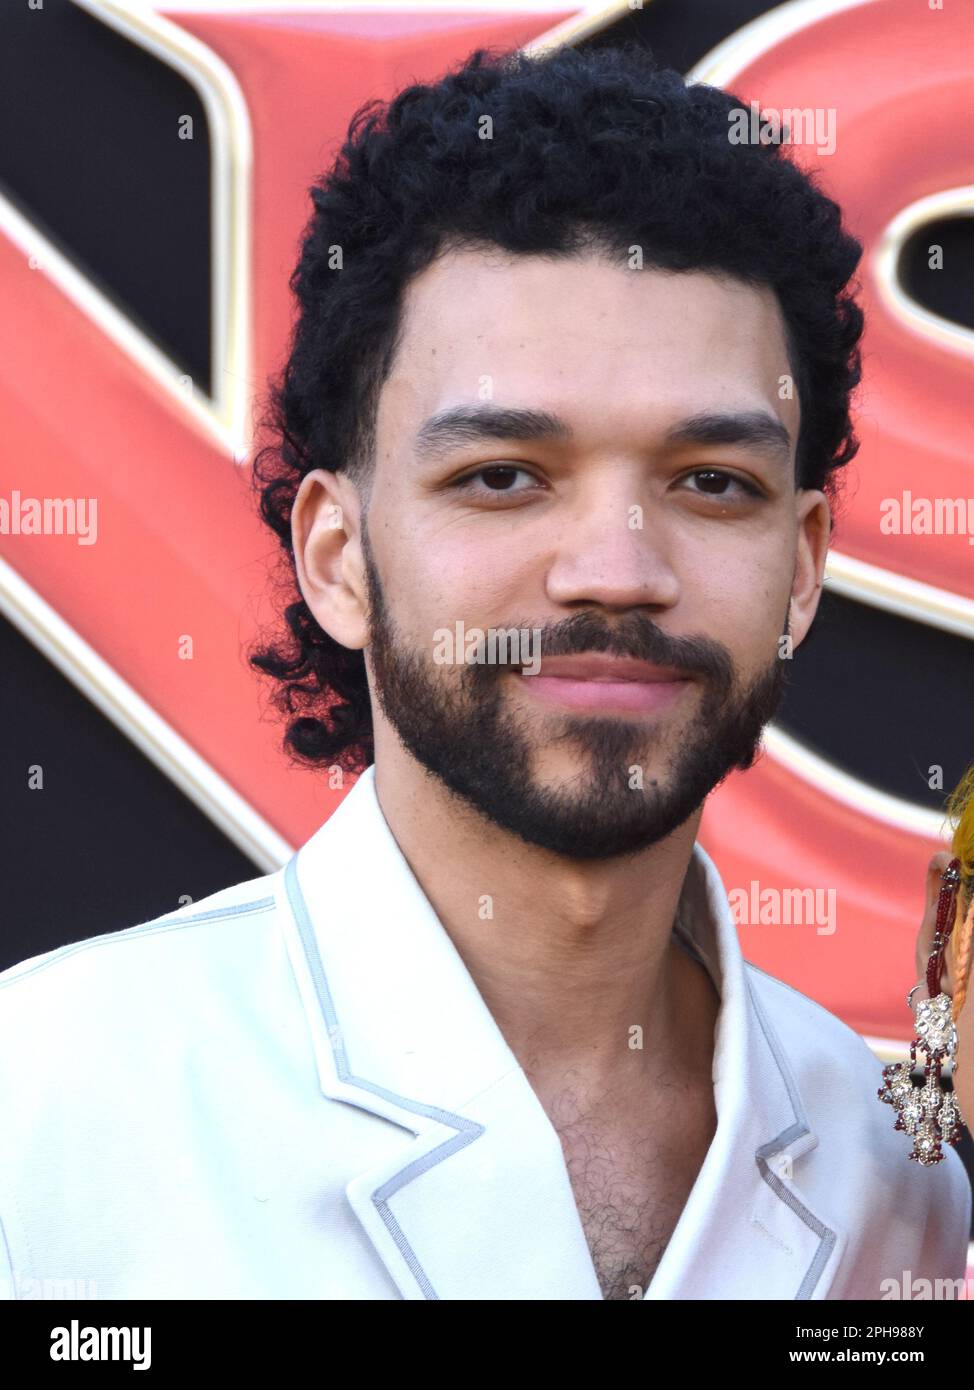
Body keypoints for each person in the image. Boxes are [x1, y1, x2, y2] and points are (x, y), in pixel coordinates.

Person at [0, 42, 968, 1302]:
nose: (614, 570)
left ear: (800, 567)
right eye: (501, 476)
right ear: (337, 558)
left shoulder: (903, 1177)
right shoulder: (45, 1107)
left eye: (709, 483)